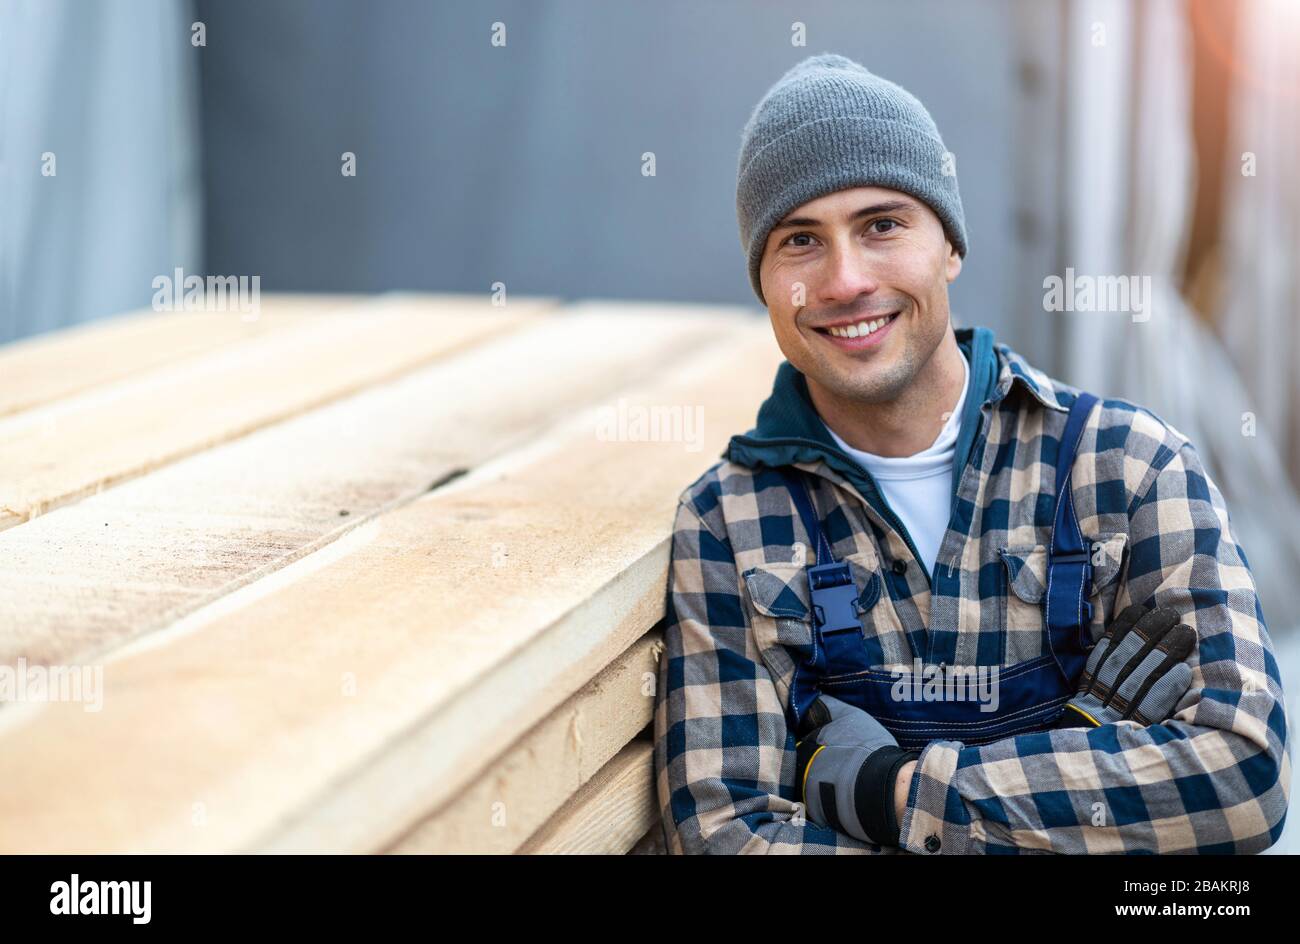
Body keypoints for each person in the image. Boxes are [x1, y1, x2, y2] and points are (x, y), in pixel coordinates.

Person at [651, 52, 1290, 855]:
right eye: (800, 240)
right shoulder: (728, 524)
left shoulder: (1128, 470)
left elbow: (1242, 779)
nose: (846, 279)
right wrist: (1081, 748)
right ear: (767, 284)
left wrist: (887, 796)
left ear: (949, 247)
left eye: (882, 225)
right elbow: (727, 837)